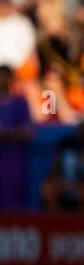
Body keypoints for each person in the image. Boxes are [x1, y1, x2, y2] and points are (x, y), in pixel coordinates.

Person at [0, 65, 33, 210]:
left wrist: (6, 134)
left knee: (13, 206)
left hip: (13, 163)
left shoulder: (20, 102)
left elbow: (28, 132)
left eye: (4, 77)